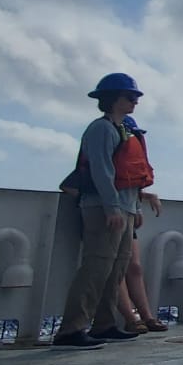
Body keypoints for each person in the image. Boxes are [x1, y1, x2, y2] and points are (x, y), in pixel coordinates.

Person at [51, 72, 153, 349]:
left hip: (124, 209)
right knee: (96, 267)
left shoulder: (122, 130)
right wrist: (112, 207)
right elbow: (101, 170)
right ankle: (70, 329)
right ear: (112, 99)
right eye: (130, 97)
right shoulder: (101, 129)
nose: (135, 102)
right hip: (104, 209)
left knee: (115, 269)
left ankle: (104, 324)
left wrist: (133, 207)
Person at [118, 115, 167, 332]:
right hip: (111, 216)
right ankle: (130, 318)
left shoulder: (126, 163)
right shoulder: (104, 155)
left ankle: (147, 316)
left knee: (134, 267)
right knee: (115, 270)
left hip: (128, 214)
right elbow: (71, 185)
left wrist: (143, 198)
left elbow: (129, 186)